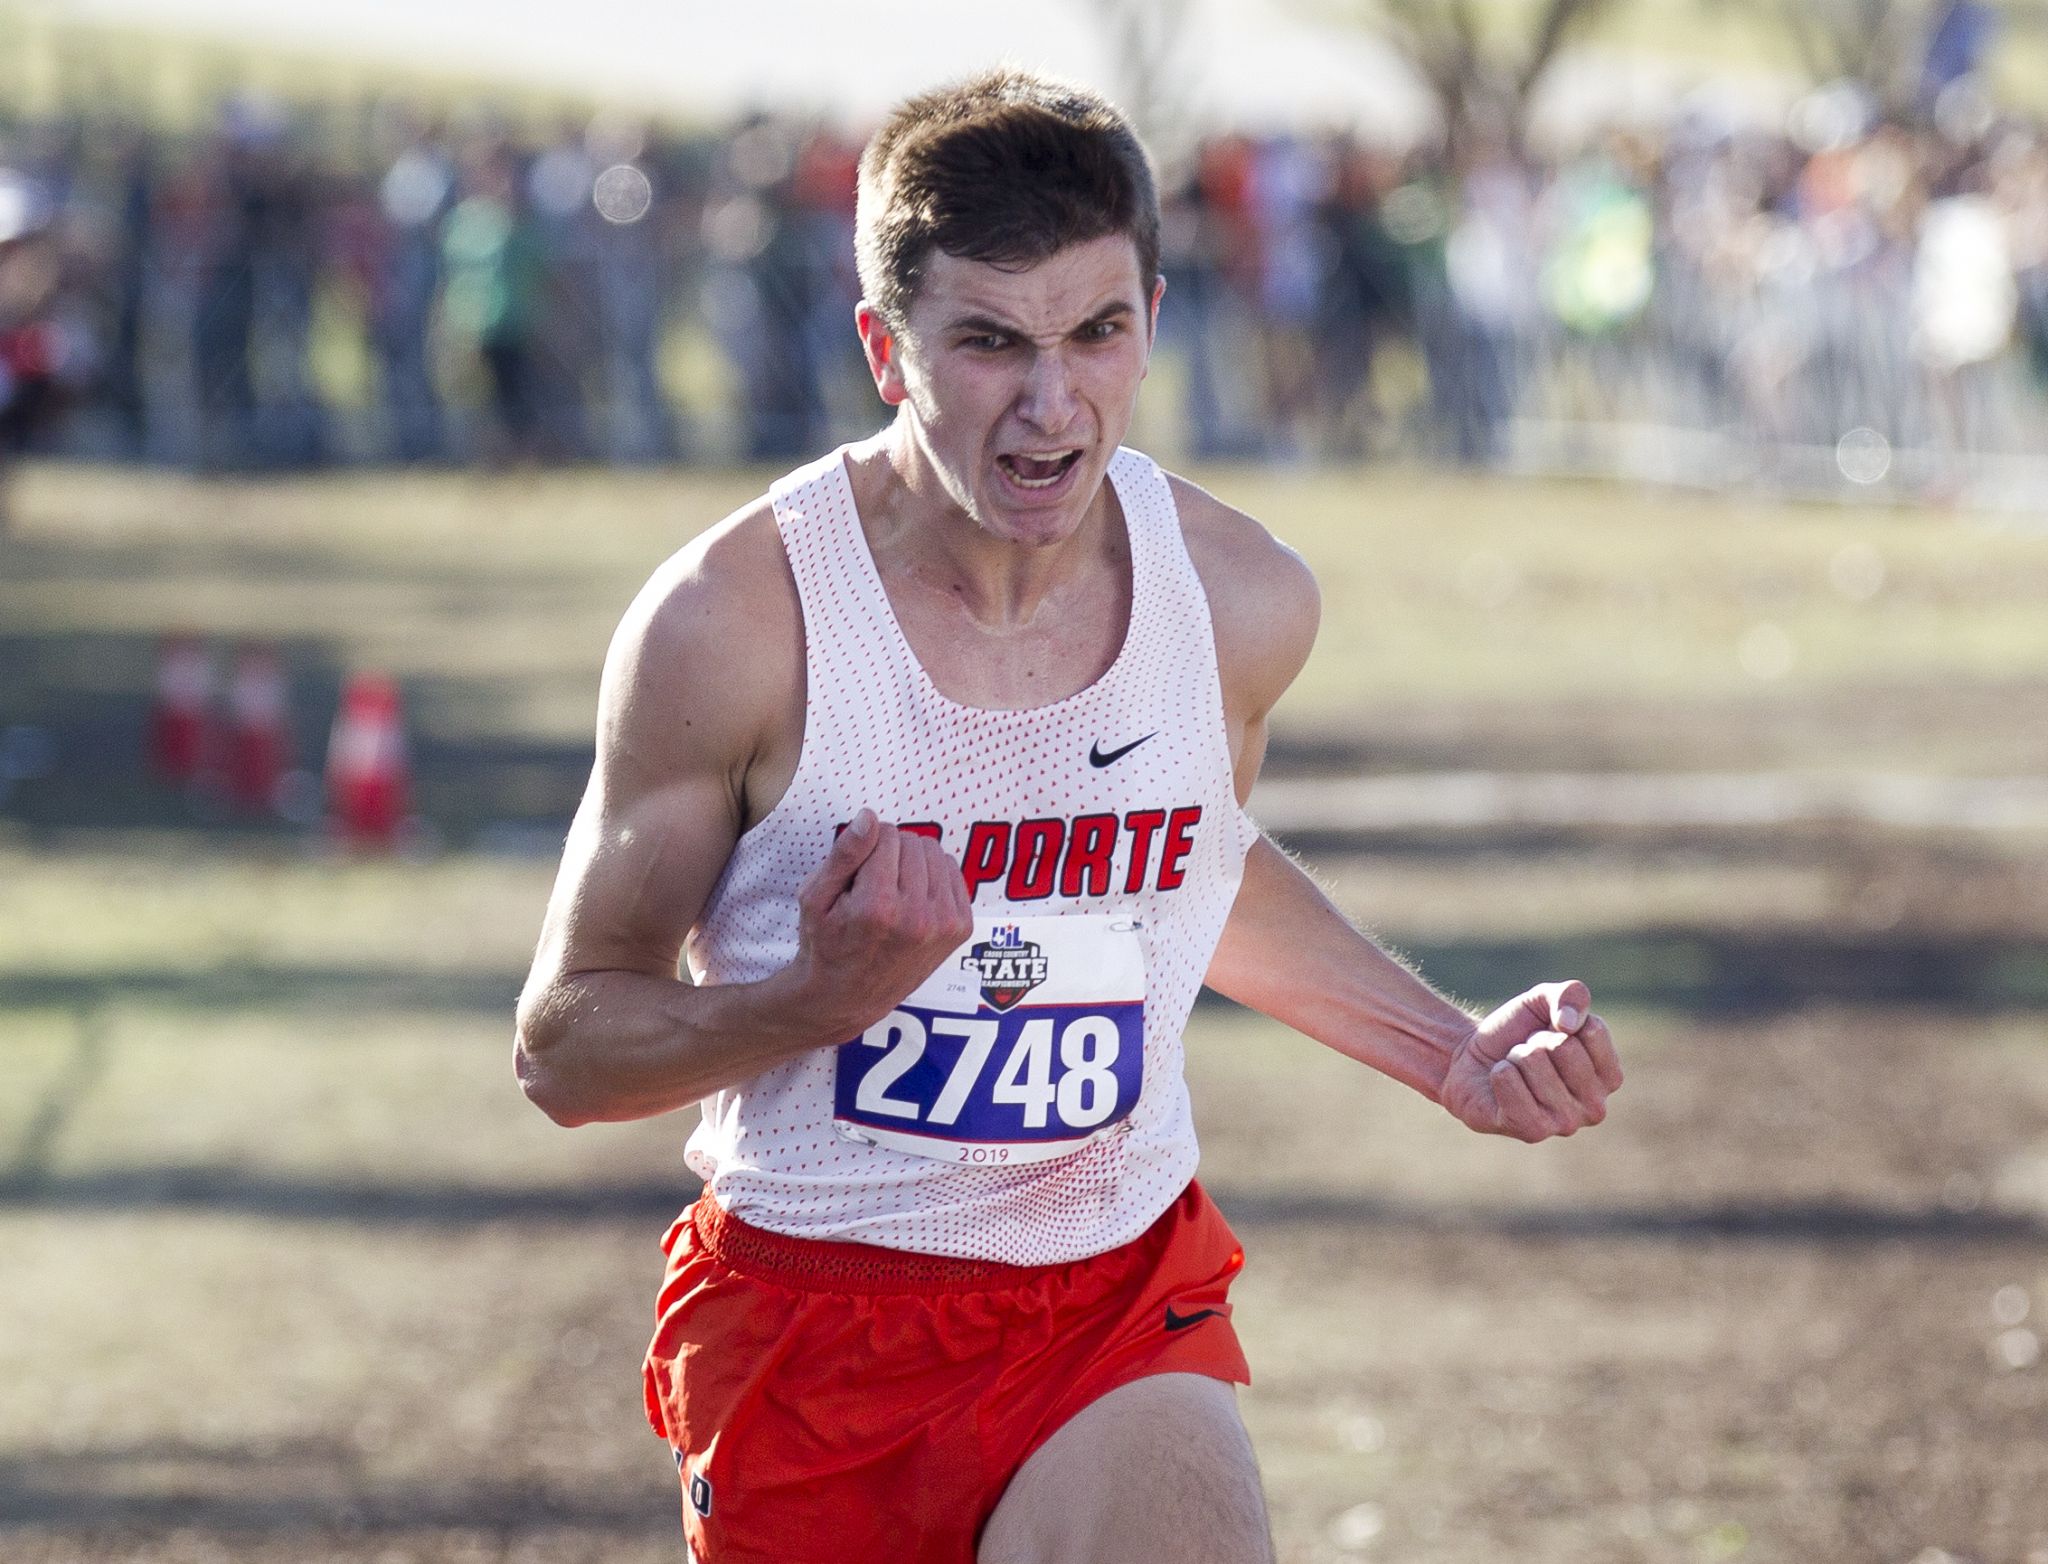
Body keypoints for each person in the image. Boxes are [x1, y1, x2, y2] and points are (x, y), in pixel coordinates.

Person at [515, 69, 1622, 1564]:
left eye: (1097, 334)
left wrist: (1449, 1050)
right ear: (886, 352)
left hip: (1110, 1296)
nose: (1052, 403)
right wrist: (807, 1000)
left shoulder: (1238, 599)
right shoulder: (736, 623)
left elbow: (1189, 871)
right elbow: (568, 1049)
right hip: (817, 1322)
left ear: (1155, 321)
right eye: (989, 344)